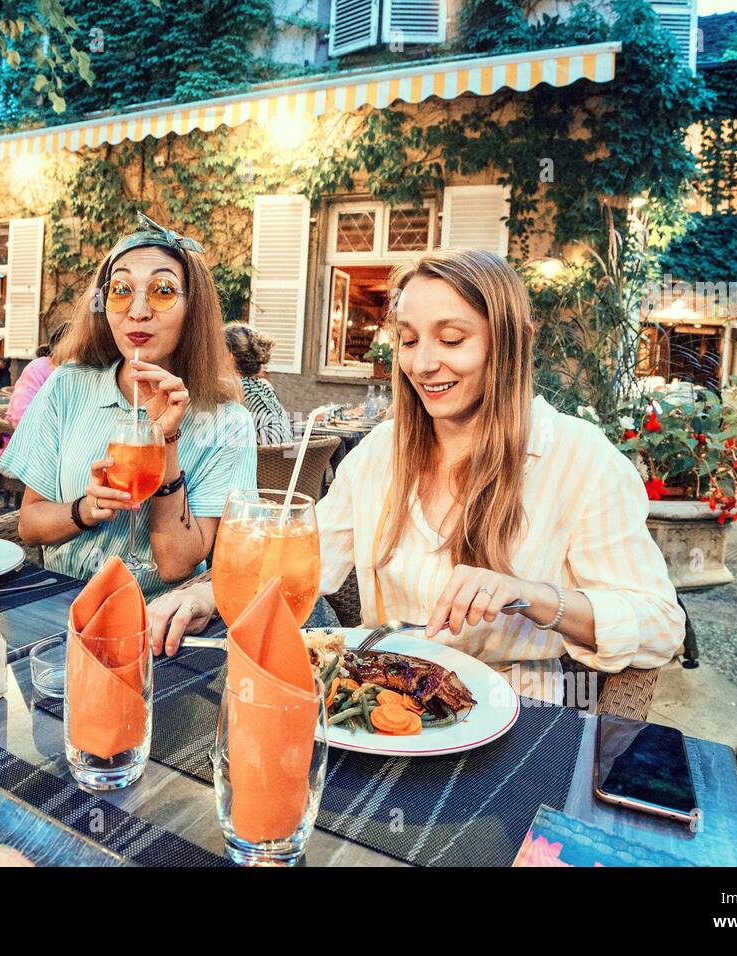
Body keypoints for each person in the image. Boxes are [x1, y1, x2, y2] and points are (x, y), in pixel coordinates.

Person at [148, 249, 685, 702]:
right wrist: (204, 596)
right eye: (408, 340)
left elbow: (661, 626)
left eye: (451, 340)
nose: (423, 363)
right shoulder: (381, 454)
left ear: (512, 343)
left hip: (518, 717)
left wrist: (532, 596)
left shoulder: (579, 460)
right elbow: (302, 563)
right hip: (381, 701)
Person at [0, 214, 257, 598]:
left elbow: (174, 565)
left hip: (158, 619)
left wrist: (167, 439)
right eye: (120, 290)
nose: (137, 311)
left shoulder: (228, 423)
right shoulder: (67, 386)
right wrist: (85, 509)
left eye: (163, 290)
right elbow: (29, 525)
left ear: (194, 311)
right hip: (62, 604)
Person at [2, 321, 69, 451]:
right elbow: (20, 418)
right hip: (24, 449)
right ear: (57, 346)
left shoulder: (75, 374)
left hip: (62, 448)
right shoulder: (38, 368)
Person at [223, 323, 293, 445]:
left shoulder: (234, 393)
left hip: (261, 462)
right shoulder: (264, 389)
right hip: (286, 461)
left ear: (230, 358)